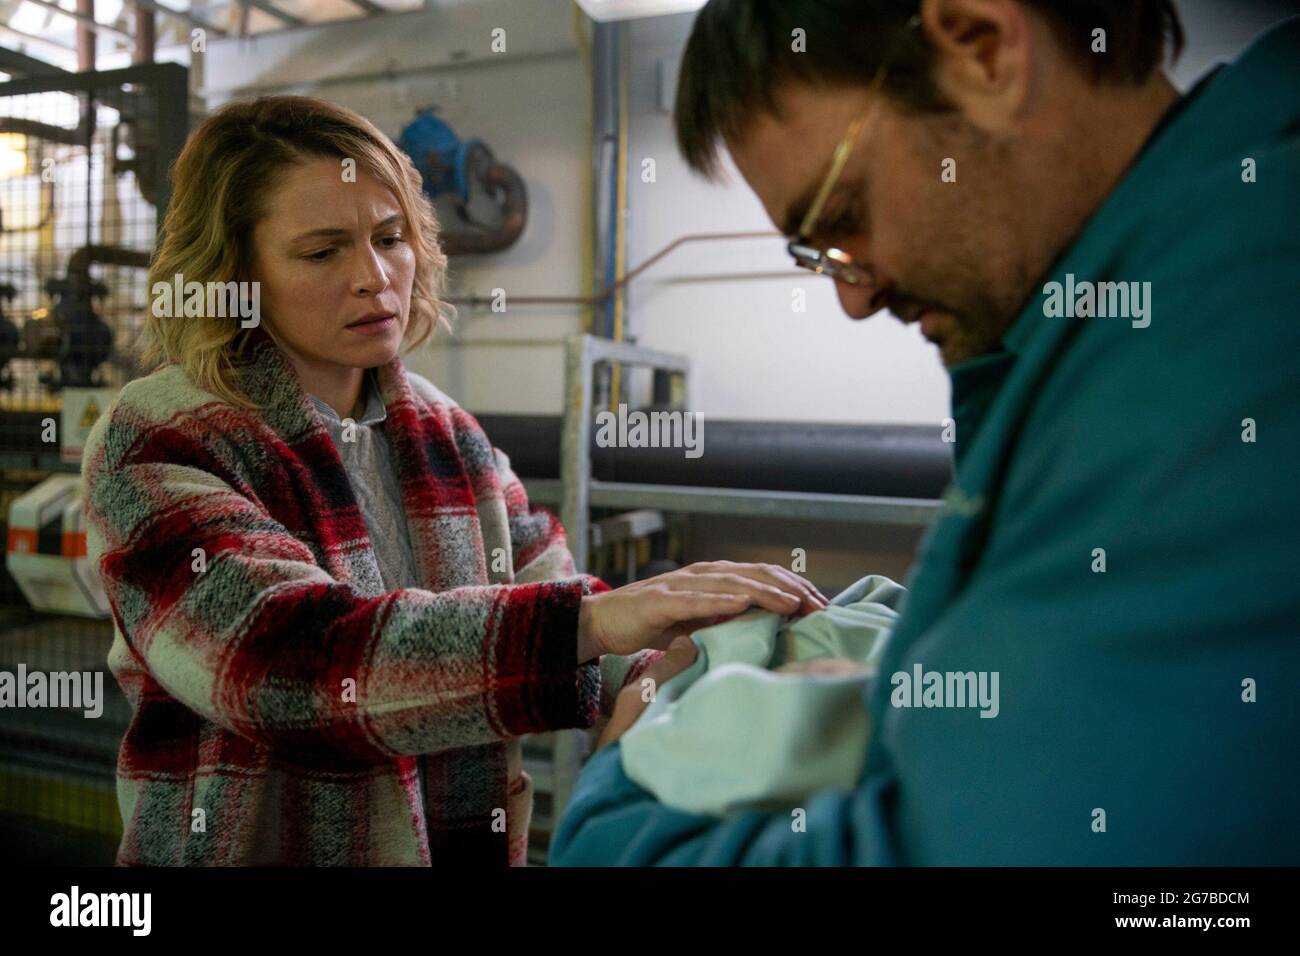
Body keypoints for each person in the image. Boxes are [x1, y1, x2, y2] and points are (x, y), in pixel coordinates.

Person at [550, 0, 1300, 865]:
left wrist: (616, 792)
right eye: (818, 256)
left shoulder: (1226, 336)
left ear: (982, 44)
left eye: (842, 214)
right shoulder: (1106, 331)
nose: (854, 297)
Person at [80, 94, 827, 866]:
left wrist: (673, 667)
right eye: (322, 251)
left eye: (390, 237)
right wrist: (597, 625)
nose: (376, 277)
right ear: (234, 272)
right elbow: (288, 666)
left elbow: (556, 599)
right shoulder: (162, 436)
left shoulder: (449, 435)